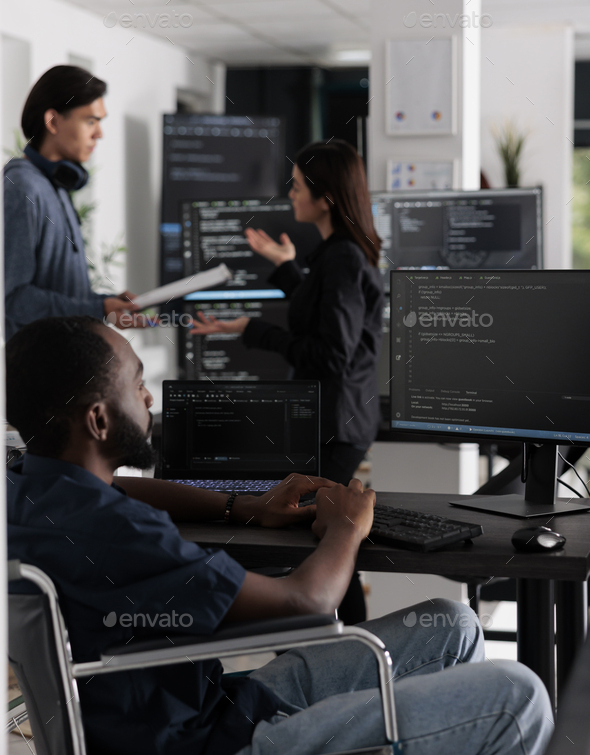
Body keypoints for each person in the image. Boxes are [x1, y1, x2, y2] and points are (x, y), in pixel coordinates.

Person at [7, 316, 552, 755]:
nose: (149, 399)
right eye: (137, 384)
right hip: (212, 742)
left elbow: (125, 491)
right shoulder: (118, 531)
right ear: (100, 421)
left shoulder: (28, 488)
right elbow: (307, 603)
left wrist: (243, 506)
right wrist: (347, 526)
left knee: (450, 624)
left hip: (211, 704)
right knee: (515, 694)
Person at [191, 139, 383, 622]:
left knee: (324, 536)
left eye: (297, 187)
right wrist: (285, 267)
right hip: (340, 417)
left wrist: (254, 330)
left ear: (327, 198)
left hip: (335, 421)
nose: (290, 195)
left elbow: (329, 353)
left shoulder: (340, 258)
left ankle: (350, 643)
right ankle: (348, 641)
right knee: (326, 535)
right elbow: (321, 317)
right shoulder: (339, 252)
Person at [4, 64, 143, 340]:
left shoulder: (55, 185)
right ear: (53, 122)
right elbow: (14, 300)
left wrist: (108, 303)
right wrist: (98, 307)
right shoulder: (23, 188)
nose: (99, 134)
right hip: (42, 373)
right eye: (90, 121)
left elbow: (61, 291)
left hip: (67, 366)